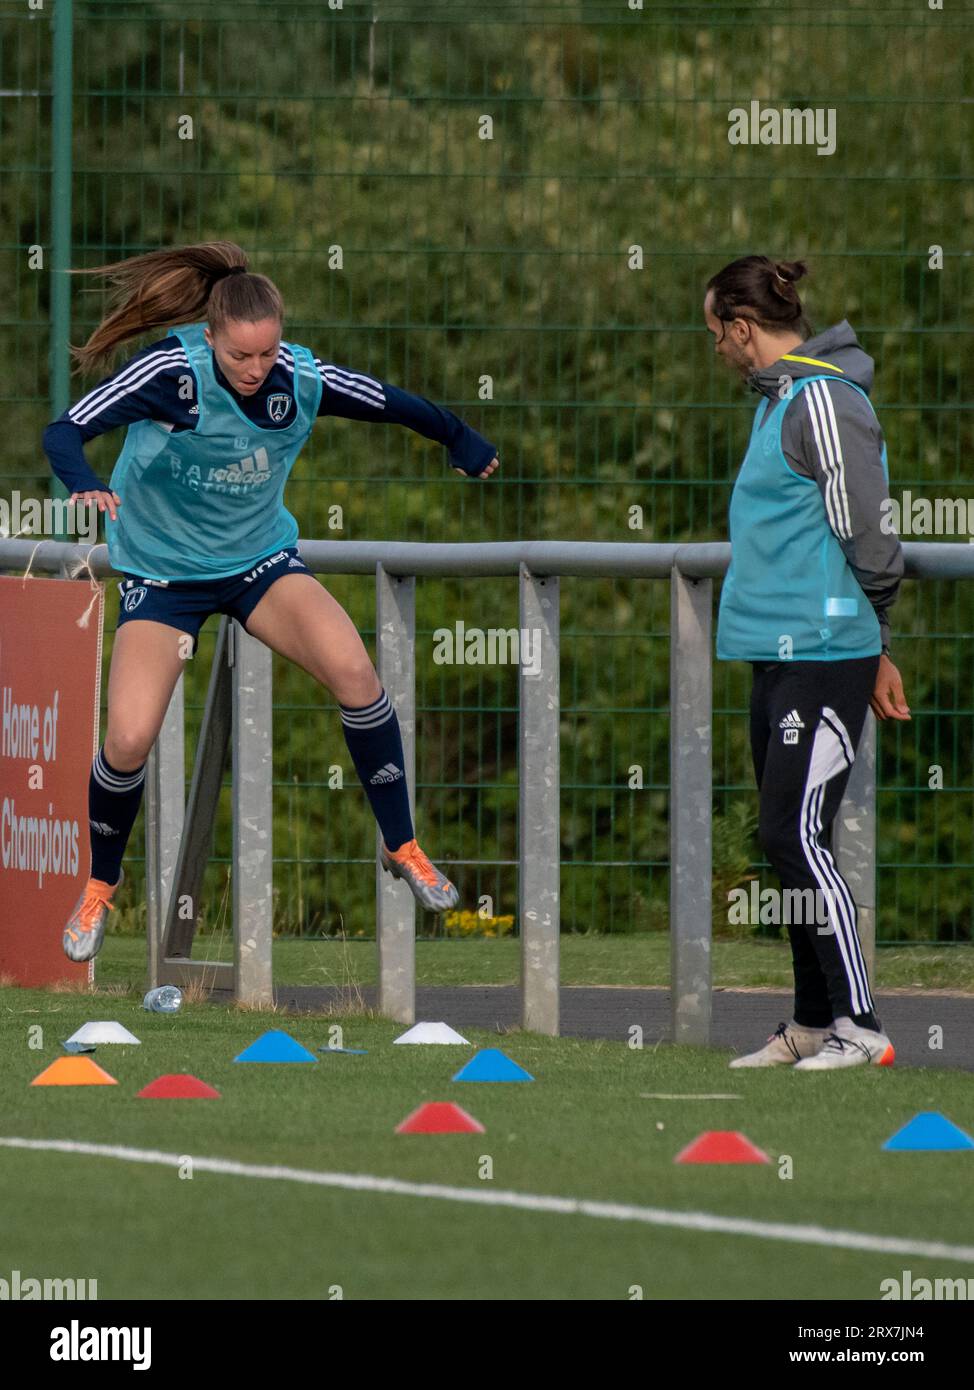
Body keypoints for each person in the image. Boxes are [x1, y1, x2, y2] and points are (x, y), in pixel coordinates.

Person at [44, 241, 499, 962]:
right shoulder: (171, 372)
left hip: (258, 564)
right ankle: (101, 884)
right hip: (162, 578)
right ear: (211, 337)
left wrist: (458, 436)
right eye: (240, 359)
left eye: (267, 354)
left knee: (357, 674)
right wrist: (82, 483)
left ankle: (402, 843)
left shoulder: (300, 378)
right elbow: (63, 430)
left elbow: (391, 403)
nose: (256, 372)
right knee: (128, 739)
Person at [705, 255, 910, 1070]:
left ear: (742, 328)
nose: (714, 346)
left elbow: (867, 529)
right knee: (788, 836)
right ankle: (809, 1022)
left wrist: (878, 640)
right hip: (776, 656)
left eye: (714, 331)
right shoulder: (778, 400)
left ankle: (863, 1026)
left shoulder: (824, 397)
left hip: (825, 655)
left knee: (794, 833)